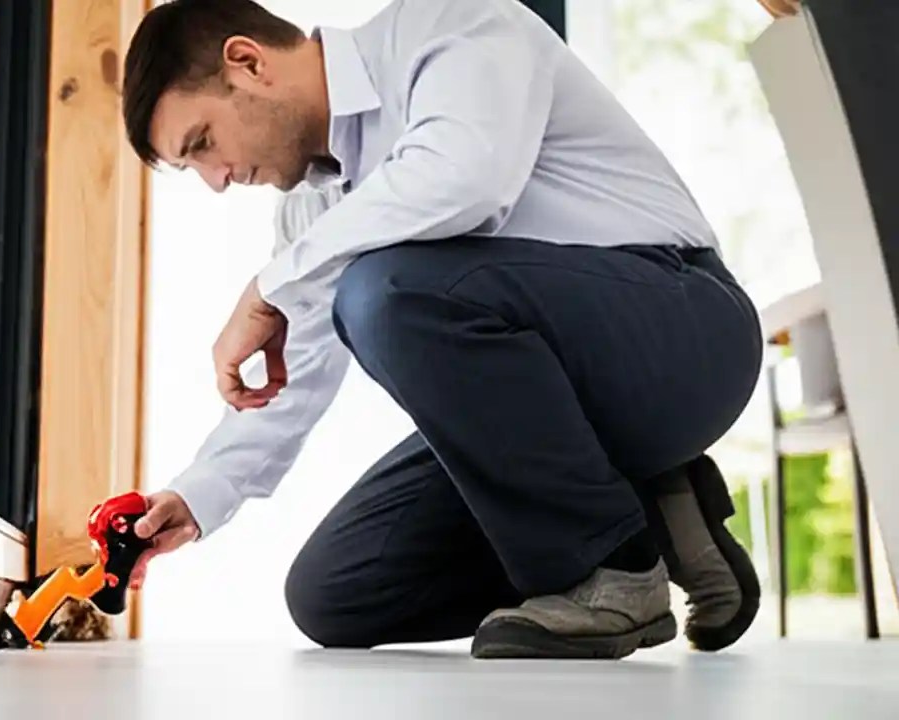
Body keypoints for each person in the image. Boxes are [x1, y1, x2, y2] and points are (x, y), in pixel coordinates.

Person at [119, 0, 763, 659]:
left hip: (686, 338)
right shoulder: (309, 211)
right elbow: (294, 373)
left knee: (382, 291)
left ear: (247, 63)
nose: (217, 181)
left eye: (202, 143)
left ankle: (614, 572)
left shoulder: (449, 25)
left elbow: (464, 179)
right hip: (558, 410)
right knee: (334, 593)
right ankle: (646, 505)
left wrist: (269, 284)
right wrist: (196, 496)